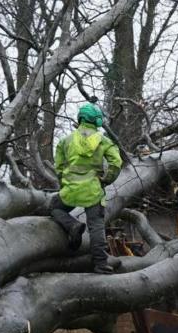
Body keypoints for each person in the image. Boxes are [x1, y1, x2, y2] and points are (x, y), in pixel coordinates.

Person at [51, 102, 122, 274]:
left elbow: (59, 166)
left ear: (80, 118)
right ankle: (101, 264)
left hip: (71, 190)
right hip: (93, 191)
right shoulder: (104, 141)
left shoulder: (65, 141)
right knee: (96, 226)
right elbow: (116, 163)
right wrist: (106, 180)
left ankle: (72, 226)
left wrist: (64, 182)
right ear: (96, 120)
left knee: (54, 207)